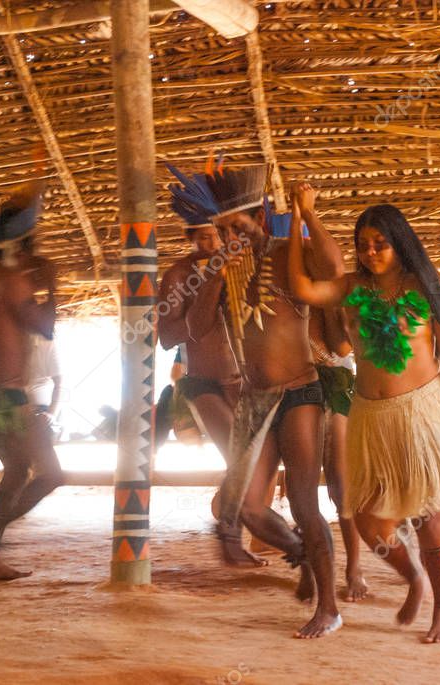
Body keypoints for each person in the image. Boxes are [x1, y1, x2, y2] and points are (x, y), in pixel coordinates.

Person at [287, 198, 440, 643]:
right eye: (363, 245)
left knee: (430, 517)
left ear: (400, 243)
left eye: (380, 243)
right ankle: (414, 578)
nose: (371, 252)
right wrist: (298, 220)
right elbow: (304, 289)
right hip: (371, 417)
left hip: (424, 410)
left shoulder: (425, 285)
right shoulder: (350, 288)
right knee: (368, 522)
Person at [168, 162, 344, 638]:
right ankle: (303, 555)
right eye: (222, 230)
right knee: (246, 507)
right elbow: (196, 328)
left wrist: (307, 215)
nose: (229, 237)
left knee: (305, 505)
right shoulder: (222, 272)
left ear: (261, 221)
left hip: (301, 392)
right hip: (254, 398)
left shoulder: (290, 253)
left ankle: (328, 607)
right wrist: (215, 273)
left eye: (237, 227)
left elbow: (334, 270)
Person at [157, 205, 263, 567]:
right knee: (239, 456)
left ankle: (238, 526)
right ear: (189, 239)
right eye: (202, 237)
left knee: (250, 460)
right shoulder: (178, 275)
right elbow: (167, 337)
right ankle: (230, 542)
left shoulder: (242, 267)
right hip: (202, 382)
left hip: (243, 381)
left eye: (217, 235)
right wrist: (202, 301)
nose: (212, 242)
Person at [0, 182, 63, 580]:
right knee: (51, 473)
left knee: (16, 471)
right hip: (10, 396)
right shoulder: (13, 280)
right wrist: (53, 284)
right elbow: (45, 327)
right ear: (26, 244)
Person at [309, 307, 368, 601]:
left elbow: (343, 347)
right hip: (299, 387)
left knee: (342, 487)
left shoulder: (338, 299)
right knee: (302, 490)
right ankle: (311, 566)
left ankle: (354, 567)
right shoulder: (286, 298)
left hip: (339, 386)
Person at [27, 333, 62, 442]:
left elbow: (59, 384)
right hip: (14, 412)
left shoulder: (47, 345)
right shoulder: (9, 346)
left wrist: (51, 415)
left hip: (41, 413)